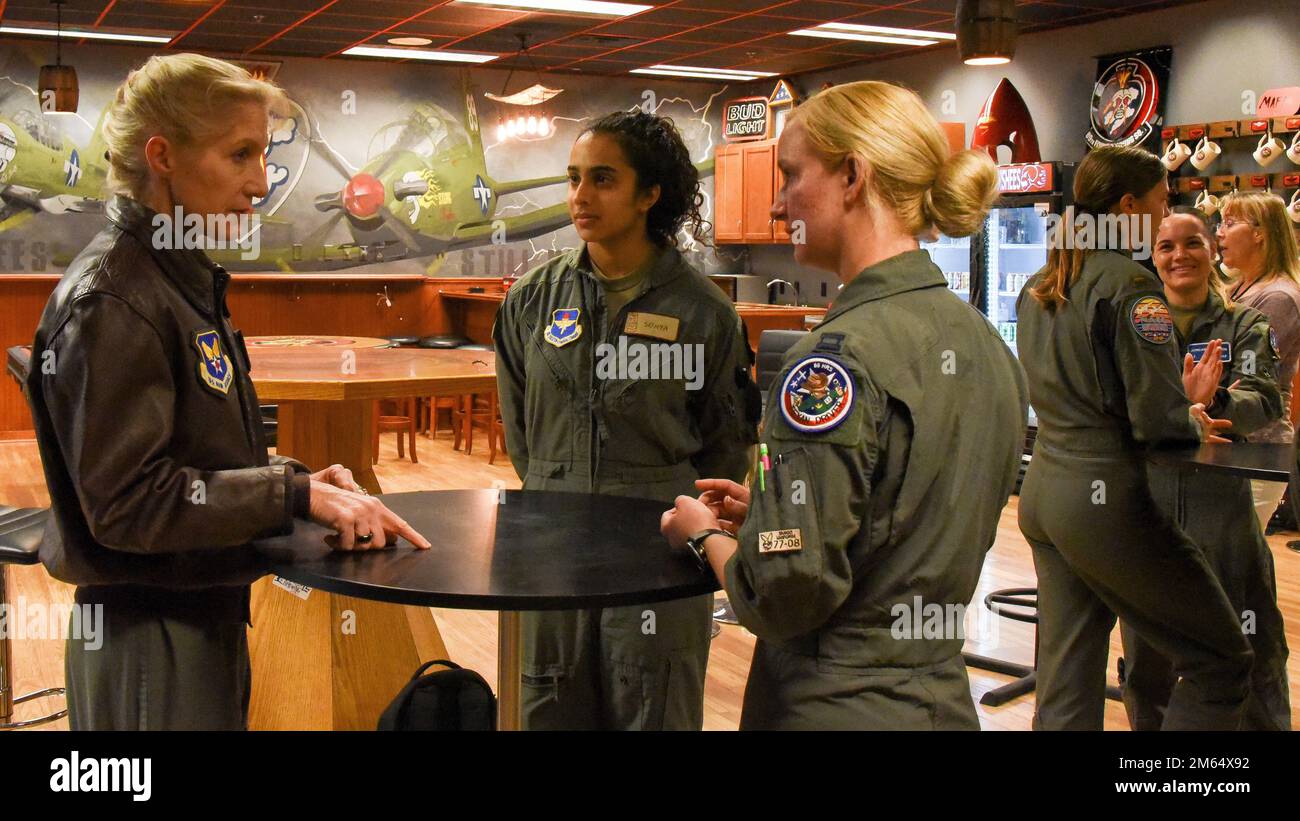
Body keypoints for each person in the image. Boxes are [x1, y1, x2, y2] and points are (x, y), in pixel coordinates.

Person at [26, 53, 430, 731]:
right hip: (152, 635)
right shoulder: (117, 297)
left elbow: (191, 463)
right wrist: (290, 495)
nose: (261, 181)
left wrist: (298, 482)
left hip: (198, 613)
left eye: (264, 155)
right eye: (240, 154)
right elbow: (128, 504)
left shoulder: (171, 277)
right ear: (163, 156)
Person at [660, 80, 1028, 730]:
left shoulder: (831, 359)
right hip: (940, 699)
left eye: (791, 175)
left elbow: (786, 588)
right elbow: (899, 520)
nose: (777, 205)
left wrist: (707, 537)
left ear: (853, 175)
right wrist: (777, 516)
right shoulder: (986, 345)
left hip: (832, 702)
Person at [493, 110, 759, 730]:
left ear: (649, 194)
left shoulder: (703, 313)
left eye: (603, 179)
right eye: (574, 178)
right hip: (551, 546)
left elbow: (725, 449)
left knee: (652, 707)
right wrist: (559, 489)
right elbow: (521, 429)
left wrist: (680, 522)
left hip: (657, 551)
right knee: (548, 705)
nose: (580, 197)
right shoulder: (532, 299)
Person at [1015, 145, 1253, 731]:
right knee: (1222, 661)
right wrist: (1190, 415)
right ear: (1128, 206)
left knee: (1068, 673)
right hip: (1106, 500)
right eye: (1161, 200)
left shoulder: (1044, 282)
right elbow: (1155, 417)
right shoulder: (1132, 288)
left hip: (1045, 493)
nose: (1165, 210)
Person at [1118, 207, 1291, 730]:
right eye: (1166, 246)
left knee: (1255, 647)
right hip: (1150, 508)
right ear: (1154, 255)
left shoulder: (1245, 323)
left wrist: (1213, 400)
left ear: (1211, 250)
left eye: (1192, 243)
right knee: (1148, 661)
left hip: (1224, 513)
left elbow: (1263, 397)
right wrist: (1179, 412)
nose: (1179, 256)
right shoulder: (1135, 322)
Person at [1218, 191, 1300, 532]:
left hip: (1255, 448)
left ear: (1260, 233)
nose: (1219, 232)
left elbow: (1247, 375)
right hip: (1231, 441)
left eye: (1229, 223)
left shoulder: (1278, 296)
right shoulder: (1239, 288)